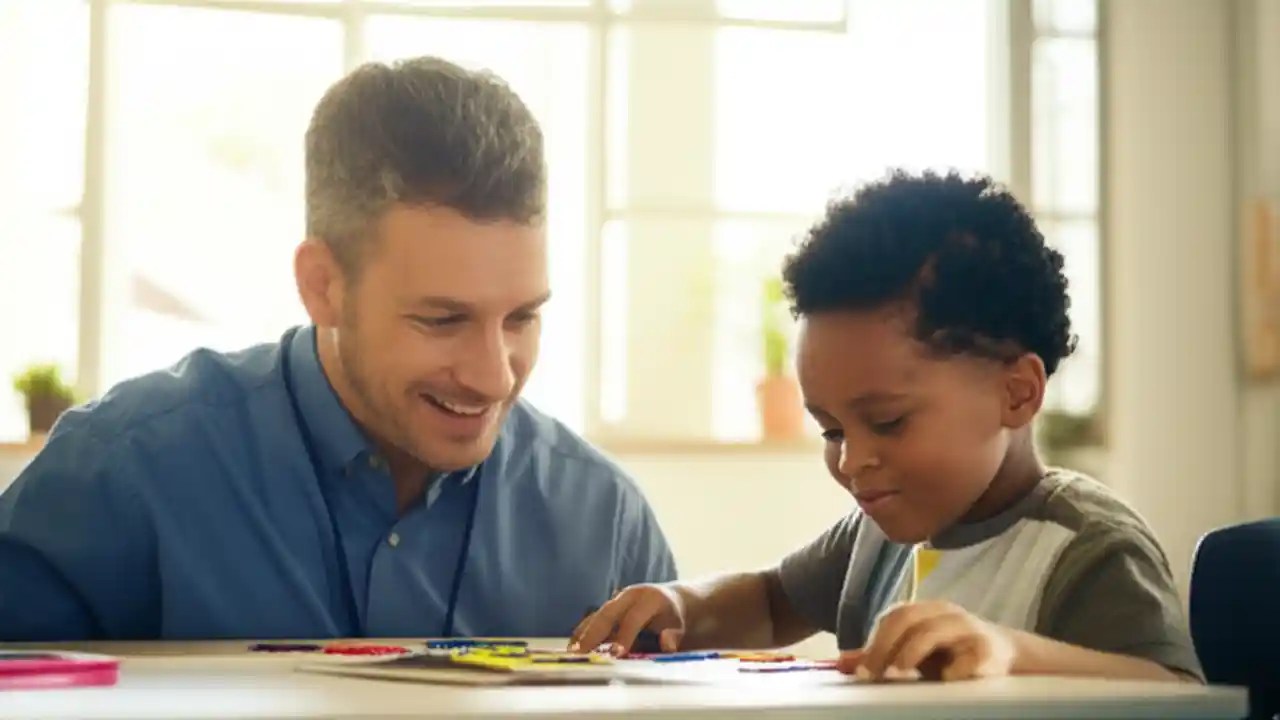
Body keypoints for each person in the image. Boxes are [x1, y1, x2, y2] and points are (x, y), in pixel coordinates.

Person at [0, 56, 675, 641]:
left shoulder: (607, 526)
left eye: (522, 318)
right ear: (322, 286)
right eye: (442, 321)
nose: (494, 376)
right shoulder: (122, 474)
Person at [571, 171, 1202, 683]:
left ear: (1017, 393)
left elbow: (1179, 695)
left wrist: (1012, 653)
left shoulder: (1084, 548)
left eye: (887, 422)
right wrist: (684, 604)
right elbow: (768, 602)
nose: (852, 462)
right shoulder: (875, 540)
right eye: (831, 430)